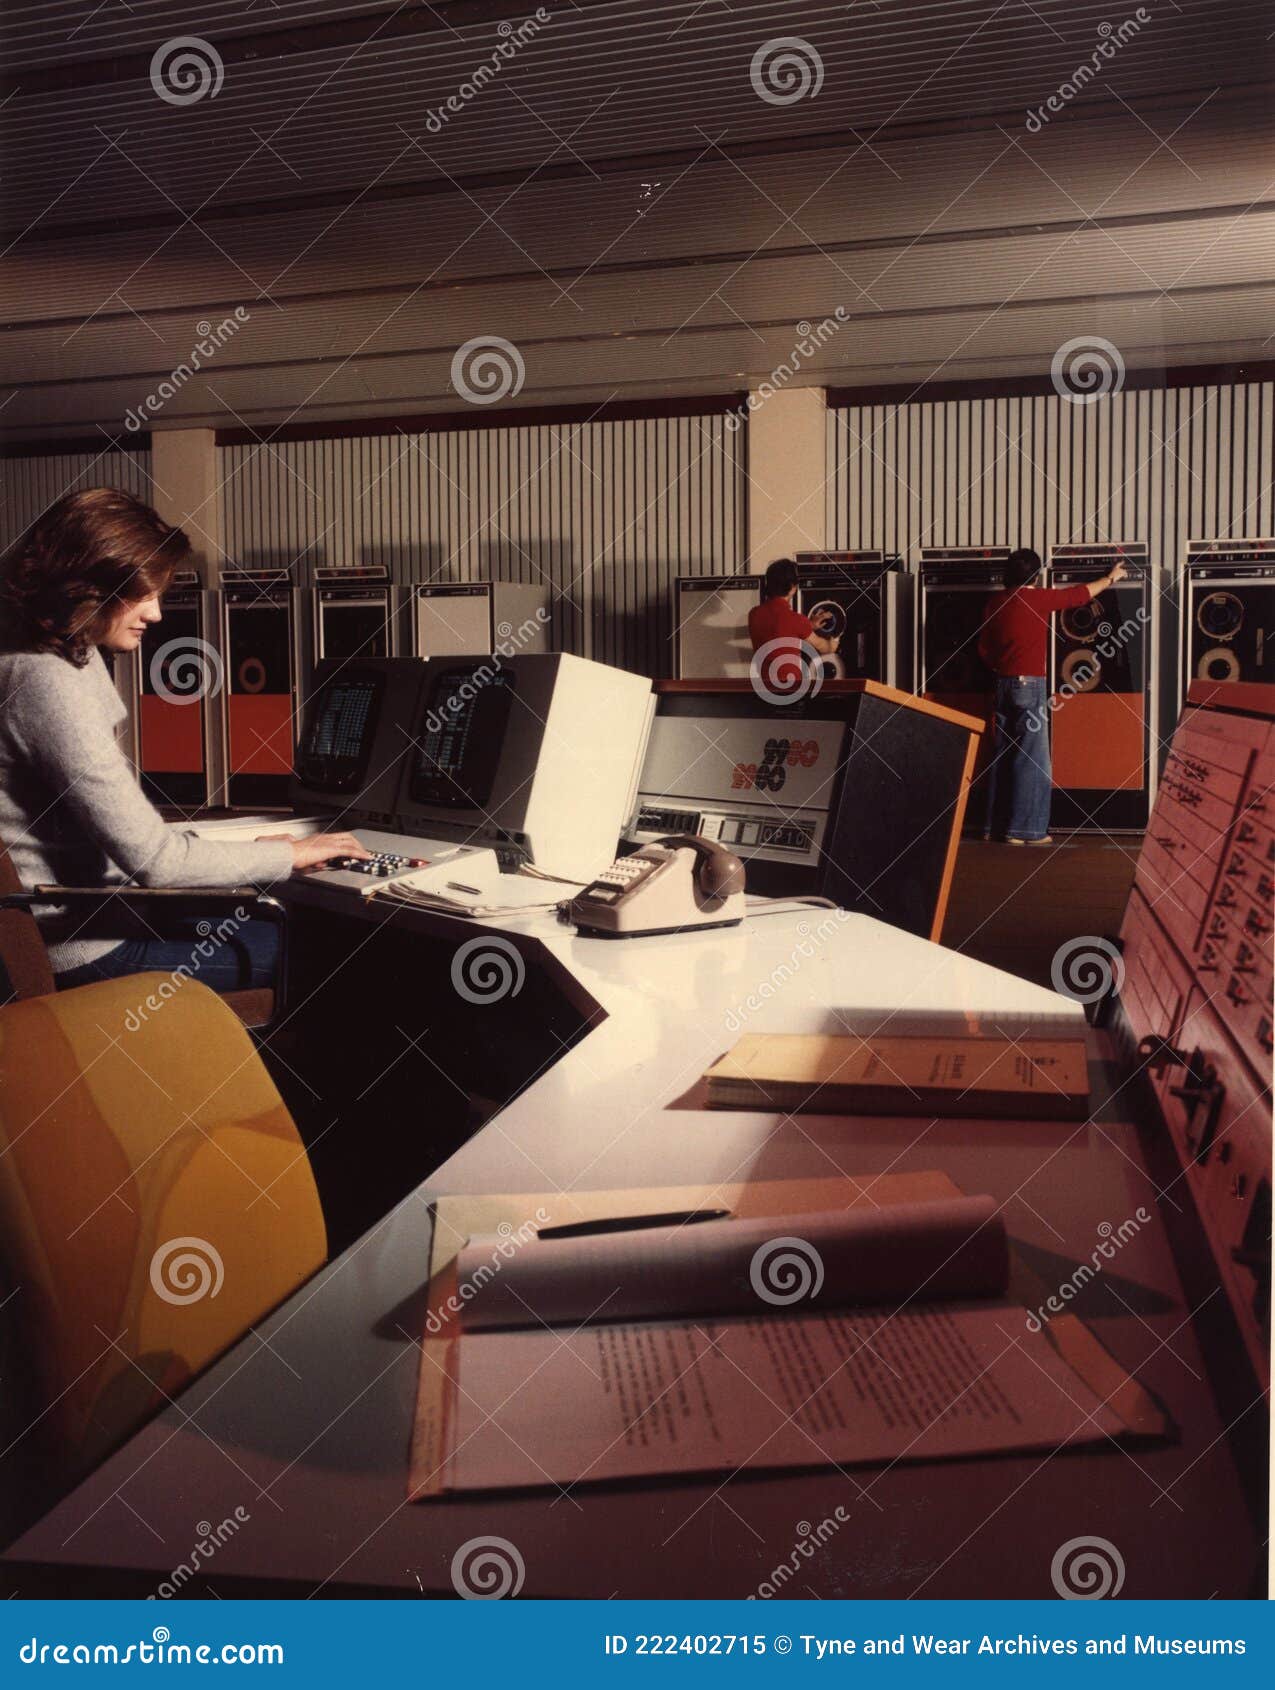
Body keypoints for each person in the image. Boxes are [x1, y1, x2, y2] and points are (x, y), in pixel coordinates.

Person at [0, 487, 371, 993]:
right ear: (88, 586)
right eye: (141, 593)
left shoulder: (60, 657)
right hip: (87, 954)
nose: (155, 614)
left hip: (107, 921)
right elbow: (158, 863)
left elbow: (138, 845)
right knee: (321, 947)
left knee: (281, 925)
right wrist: (291, 855)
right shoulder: (48, 682)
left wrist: (258, 849)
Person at [977, 545, 1127, 845]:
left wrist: (1002, 667)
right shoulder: (1038, 598)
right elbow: (1080, 595)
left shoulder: (995, 602)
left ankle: (992, 826)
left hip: (1002, 685)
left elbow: (983, 650)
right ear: (1036, 574)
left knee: (1002, 755)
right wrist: (1111, 578)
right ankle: (1025, 831)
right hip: (1029, 685)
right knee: (1034, 759)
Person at [747, 559, 839, 690]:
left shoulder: (754, 615)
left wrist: (808, 625)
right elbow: (824, 648)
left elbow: (779, 631)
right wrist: (835, 638)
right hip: (791, 691)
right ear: (792, 587)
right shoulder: (796, 620)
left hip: (763, 689)